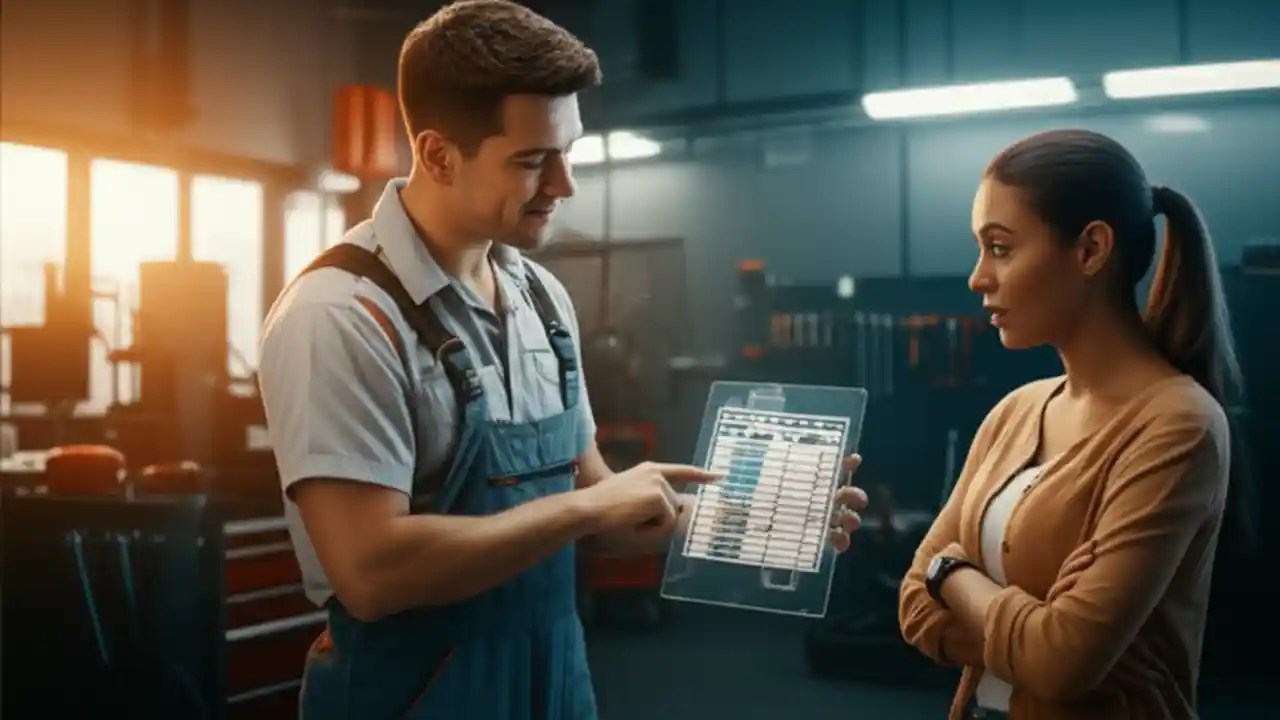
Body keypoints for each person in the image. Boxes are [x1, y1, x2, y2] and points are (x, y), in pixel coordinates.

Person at [257, 2, 868, 718]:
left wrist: (750, 517)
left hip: (555, 684)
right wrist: (582, 508)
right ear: (438, 154)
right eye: (531, 160)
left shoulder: (541, 299)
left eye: (568, 151)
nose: (564, 185)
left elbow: (595, 510)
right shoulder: (344, 316)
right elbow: (370, 572)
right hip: (414, 697)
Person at [898, 129, 1242, 720]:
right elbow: (913, 607)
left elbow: (1060, 664)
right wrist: (1032, 632)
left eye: (1000, 248)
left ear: (1090, 250)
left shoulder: (1180, 425)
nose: (978, 277)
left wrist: (951, 571)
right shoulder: (1015, 410)